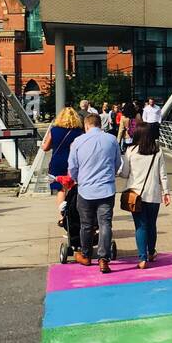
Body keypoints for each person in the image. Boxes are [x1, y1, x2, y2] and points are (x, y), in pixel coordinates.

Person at [68, 111, 123, 273]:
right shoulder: (111, 140)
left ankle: (86, 255)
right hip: (106, 188)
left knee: (86, 224)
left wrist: (79, 179)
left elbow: (72, 167)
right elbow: (117, 162)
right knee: (105, 224)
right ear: (100, 124)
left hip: (85, 189)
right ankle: (103, 259)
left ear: (86, 125)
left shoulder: (78, 141)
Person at [120, 123, 171, 268]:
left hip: (136, 195)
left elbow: (124, 173)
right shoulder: (158, 151)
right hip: (154, 194)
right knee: (151, 225)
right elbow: (163, 175)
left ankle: (142, 258)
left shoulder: (130, 151)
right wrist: (166, 192)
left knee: (140, 226)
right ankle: (151, 252)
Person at [40, 106, 83, 224]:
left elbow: (45, 148)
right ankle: (75, 214)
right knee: (74, 188)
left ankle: (62, 216)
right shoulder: (79, 131)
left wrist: (43, 145)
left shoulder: (54, 130)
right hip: (75, 162)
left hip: (57, 162)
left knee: (61, 190)